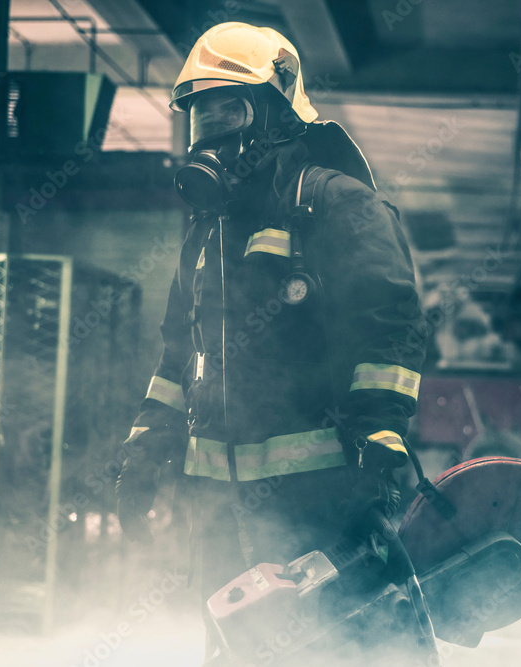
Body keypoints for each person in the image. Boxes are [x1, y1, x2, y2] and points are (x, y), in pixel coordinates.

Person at [114, 22, 427, 663]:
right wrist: (149, 441)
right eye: (201, 115)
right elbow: (179, 354)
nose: (213, 129)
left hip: (320, 498)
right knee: (234, 651)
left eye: (230, 107)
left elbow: (390, 324)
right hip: (217, 508)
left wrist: (381, 432)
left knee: (333, 648)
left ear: (277, 115)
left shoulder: (337, 206)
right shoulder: (204, 236)